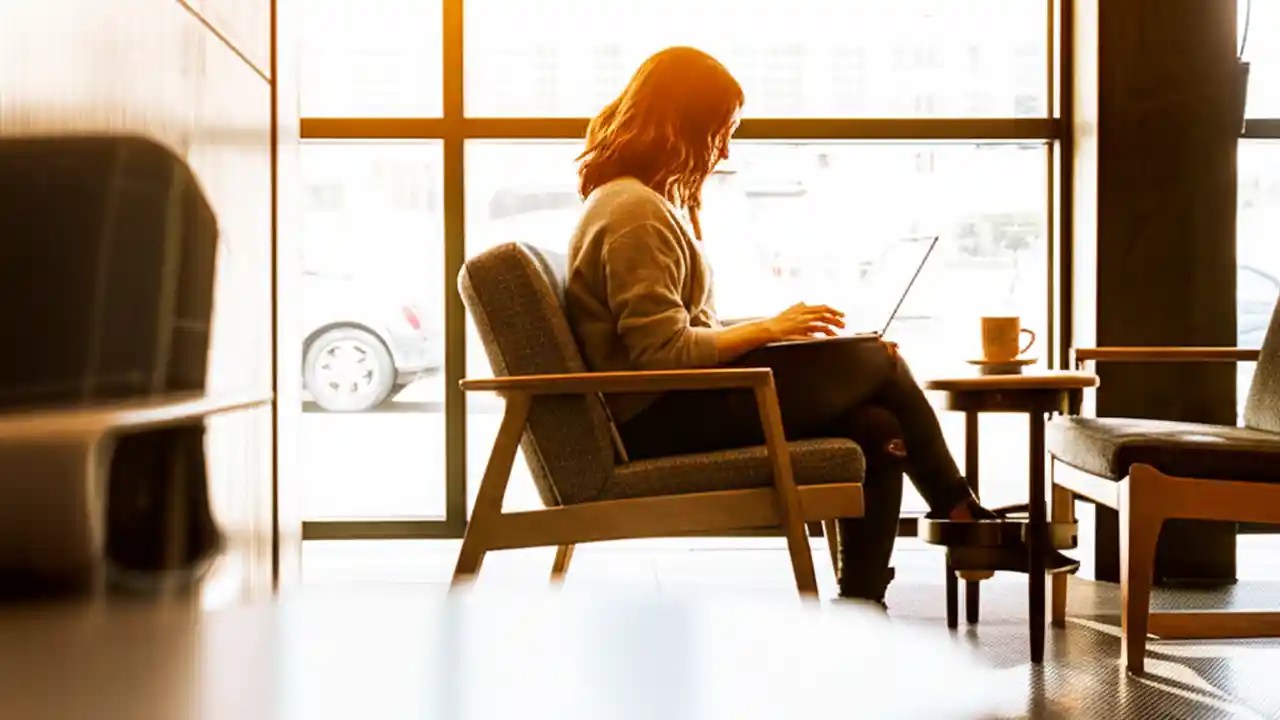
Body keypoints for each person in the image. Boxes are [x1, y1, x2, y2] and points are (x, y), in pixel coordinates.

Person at [563, 46, 1048, 603]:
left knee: (876, 423)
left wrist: (778, 332)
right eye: (720, 130)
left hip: (679, 403)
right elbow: (662, 355)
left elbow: (681, 332)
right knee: (879, 359)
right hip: (660, 417)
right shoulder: (633, 214)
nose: (724, 147)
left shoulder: (636, 204)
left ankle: (865, 600)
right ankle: (964, 517)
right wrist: (770, 330)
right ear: (683, 126)